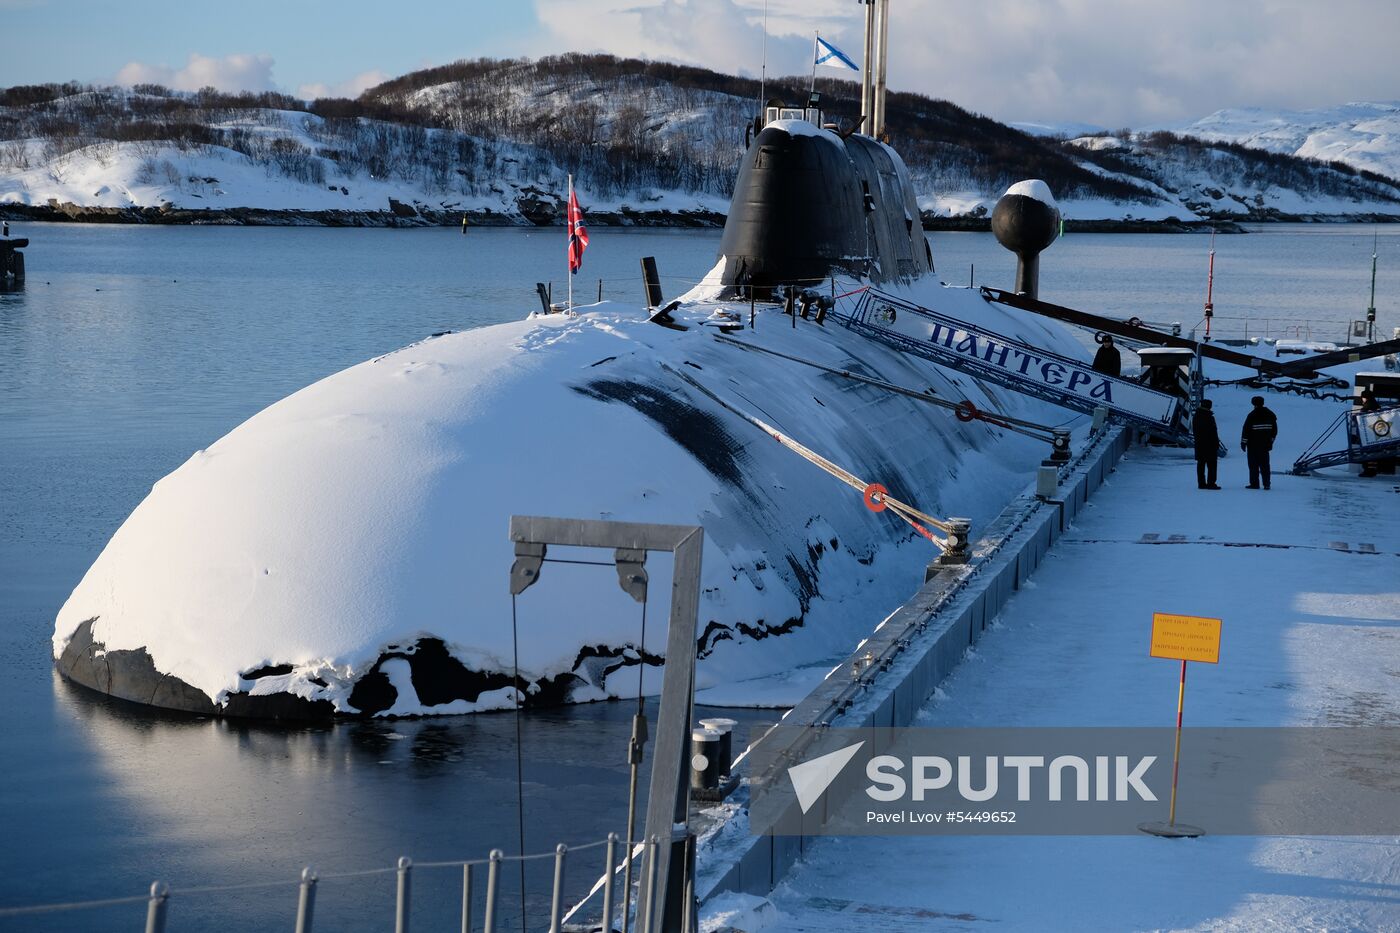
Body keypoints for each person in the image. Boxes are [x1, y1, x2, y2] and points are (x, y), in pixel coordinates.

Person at [1241, 395, 1278, 489]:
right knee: (1265, 465)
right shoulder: (1270, 414)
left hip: (1253, 445)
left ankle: (1254, 484)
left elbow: (1246, 430)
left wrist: (1243, 443)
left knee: (1253, 465)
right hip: (1265, 445)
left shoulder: (1252, 415)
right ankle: (1266, 484)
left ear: (1253, 404)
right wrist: (1271, 441)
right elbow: (1274, 430)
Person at [1192, 399, 1221, 489]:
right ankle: (1211, 483)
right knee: (1212, 465)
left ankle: (1201, 483)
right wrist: (1216, 443)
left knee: (1201, 464)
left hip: (1199, 444)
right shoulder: (1209, 417)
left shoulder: (1196, 416)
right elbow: (1213, 432)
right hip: (1210, 445)